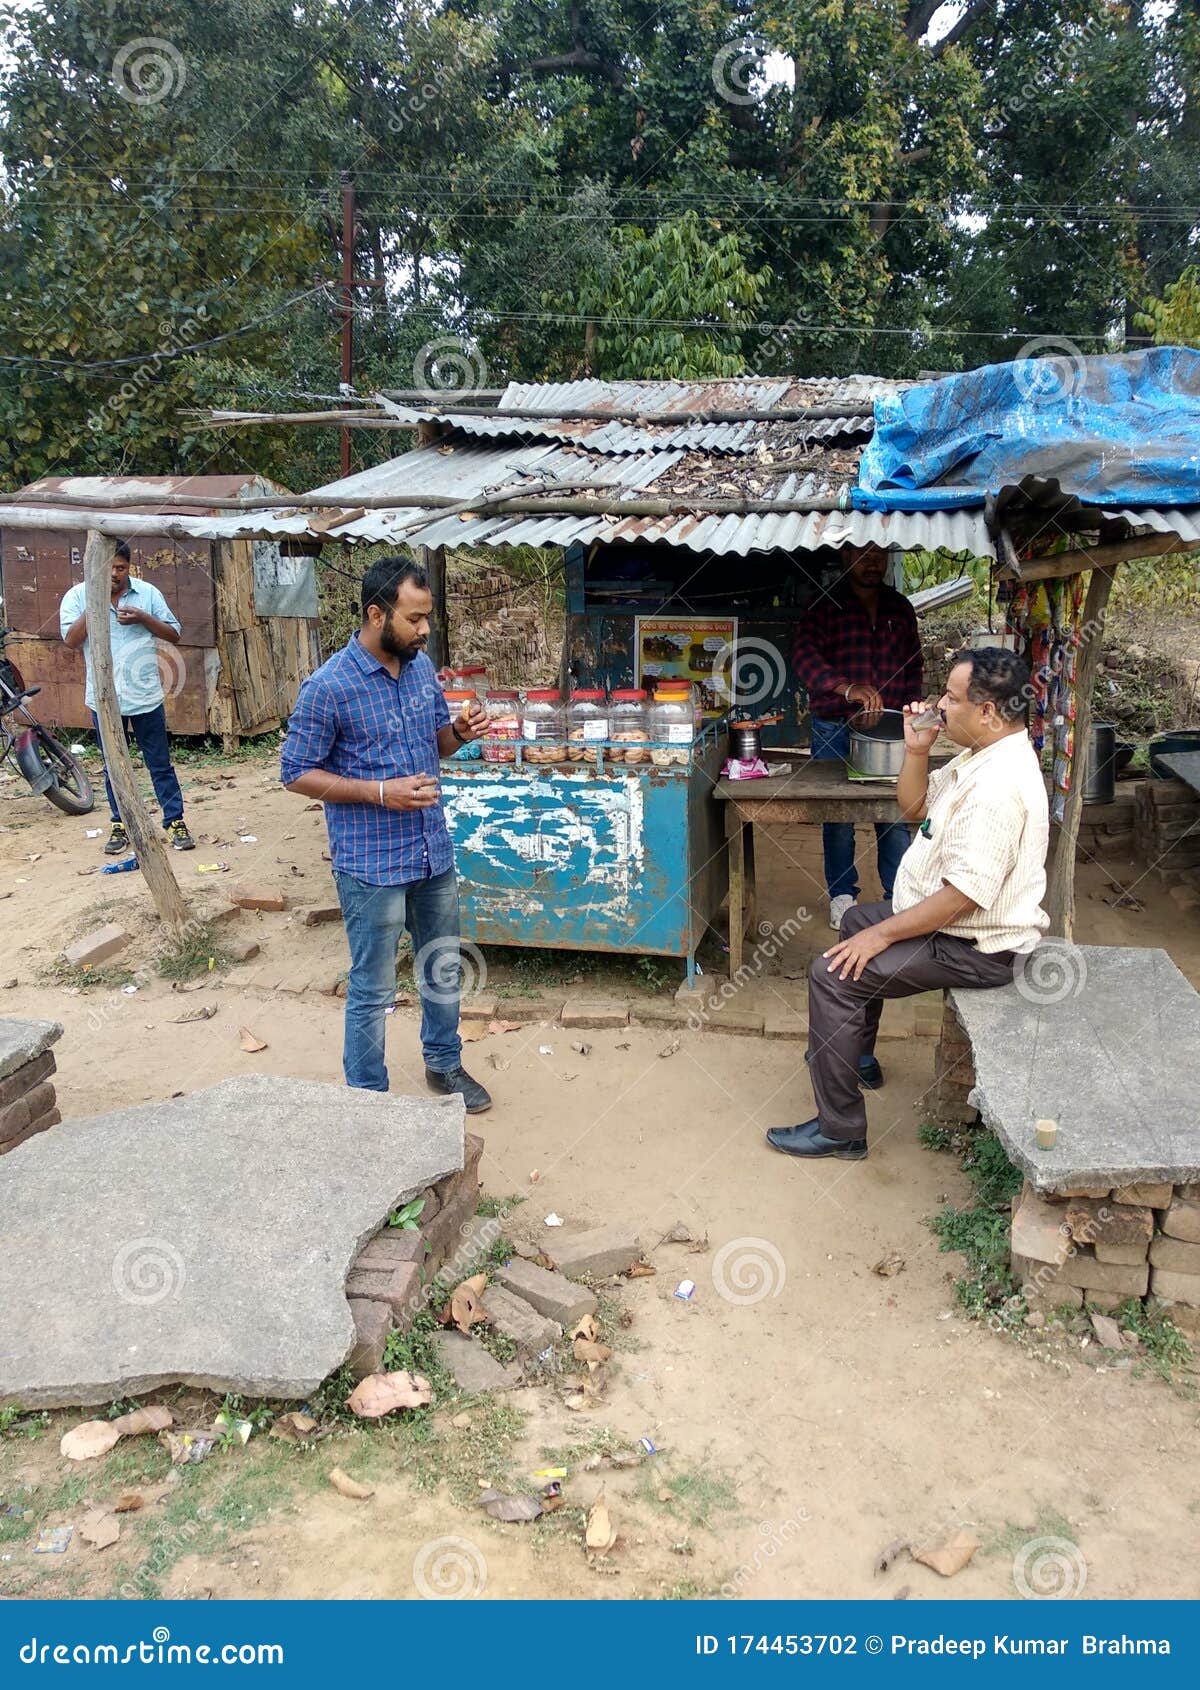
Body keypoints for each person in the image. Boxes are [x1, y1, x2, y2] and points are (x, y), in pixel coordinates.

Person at [767, 646, 1049, 1161]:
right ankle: (858, 1058)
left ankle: (841, 1130)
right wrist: (917, 750)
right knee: (855, 917)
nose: (939, 705)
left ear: (987, 712)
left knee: (831, 975)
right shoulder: (985, 755)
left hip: (974, 947)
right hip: (954, 927)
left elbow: (962, 897)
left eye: (952, 698)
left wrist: (883, 934)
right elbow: (916, 806)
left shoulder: (997, 788)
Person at [281, 554, 493, 1113]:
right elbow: (296, 773)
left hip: (431, 851)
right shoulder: (328, 687)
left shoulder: (421, 669)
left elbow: (435, 747)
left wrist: (458, 734)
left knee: (443, 964)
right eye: (415, 619)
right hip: (371, 864)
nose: (425, 630)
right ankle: (368, 1099)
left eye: (427, 619)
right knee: (373, 986)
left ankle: (444, 1065)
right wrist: (380, 793)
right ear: (377, 615)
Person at [792, 546, 923, 928]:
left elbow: (913, 665)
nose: (873, 562)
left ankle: (897, 898)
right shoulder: (824, 605)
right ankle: (843, 897)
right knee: (838, 816)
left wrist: (913, 712)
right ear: (846, 557)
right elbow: (804, 656)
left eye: (879, 554)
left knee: (894, 813)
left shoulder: (900, 608)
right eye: (863, 554)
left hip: (889, 732)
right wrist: (847, 688)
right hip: (834, 727)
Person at [59, 540, 194, 853]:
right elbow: (70, 640)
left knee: (159, 764)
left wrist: (144, 618)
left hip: (145, 695)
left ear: (129, 567)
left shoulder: (147, 593)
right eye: (108, 569)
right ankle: (120, 824)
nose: (115, 574)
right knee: (112, 766)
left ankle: (174, 821)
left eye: (120, 568)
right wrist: (95, 603)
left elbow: (175, 633)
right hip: (104, 699)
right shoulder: (77, 596)